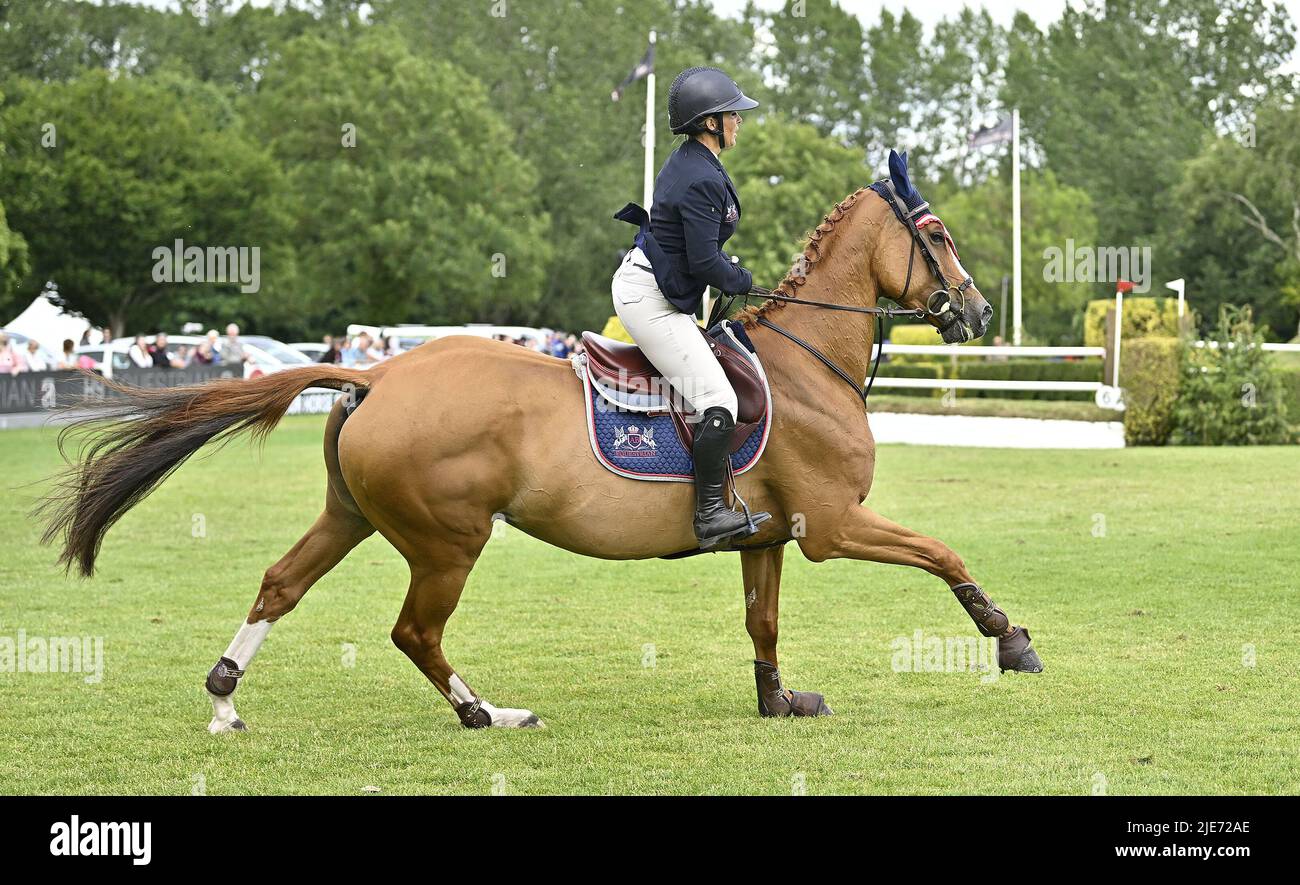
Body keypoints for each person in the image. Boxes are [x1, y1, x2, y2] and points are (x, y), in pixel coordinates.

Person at [610, 66, 768, 546]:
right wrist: (742, 279)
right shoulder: (700, 176)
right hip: (650, 299)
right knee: (718, 400)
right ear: (710, 123)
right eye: (732, 115)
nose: (739, 122)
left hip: (659, 289)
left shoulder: (696, 163)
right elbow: (703, 261)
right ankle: (710, 515)